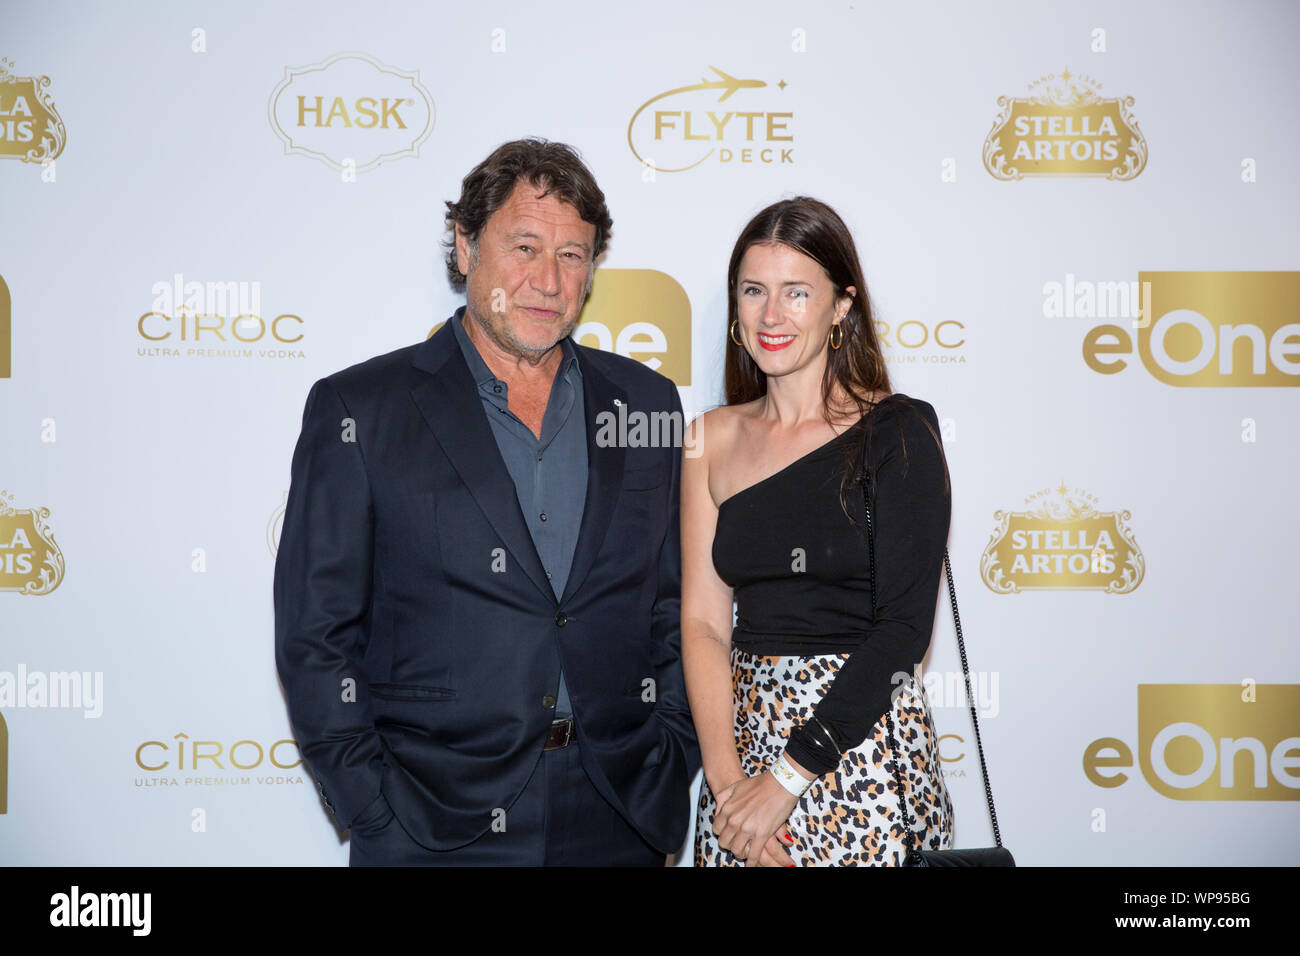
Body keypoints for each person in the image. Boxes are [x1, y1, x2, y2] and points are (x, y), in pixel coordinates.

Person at [274, 138, 698, 865]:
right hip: (432, 822)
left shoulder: (645, 402)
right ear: (466, 247)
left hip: (616, 814)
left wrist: (670, 752)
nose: (548, 279)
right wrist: (373, 811)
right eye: (524, 246)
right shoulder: (361, 408)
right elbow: (318, 633)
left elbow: (671, 603)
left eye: (573, 255)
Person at [682, 197, 953, 866]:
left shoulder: (900, 433)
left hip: (858, 752)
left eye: (796, 292)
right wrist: (728, 790)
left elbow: (904, 633)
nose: (771, 315)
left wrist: (788, 778)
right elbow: (704, 624)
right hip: (741, 771)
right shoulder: (708, 441)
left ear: (841, 307)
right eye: (754, 291)